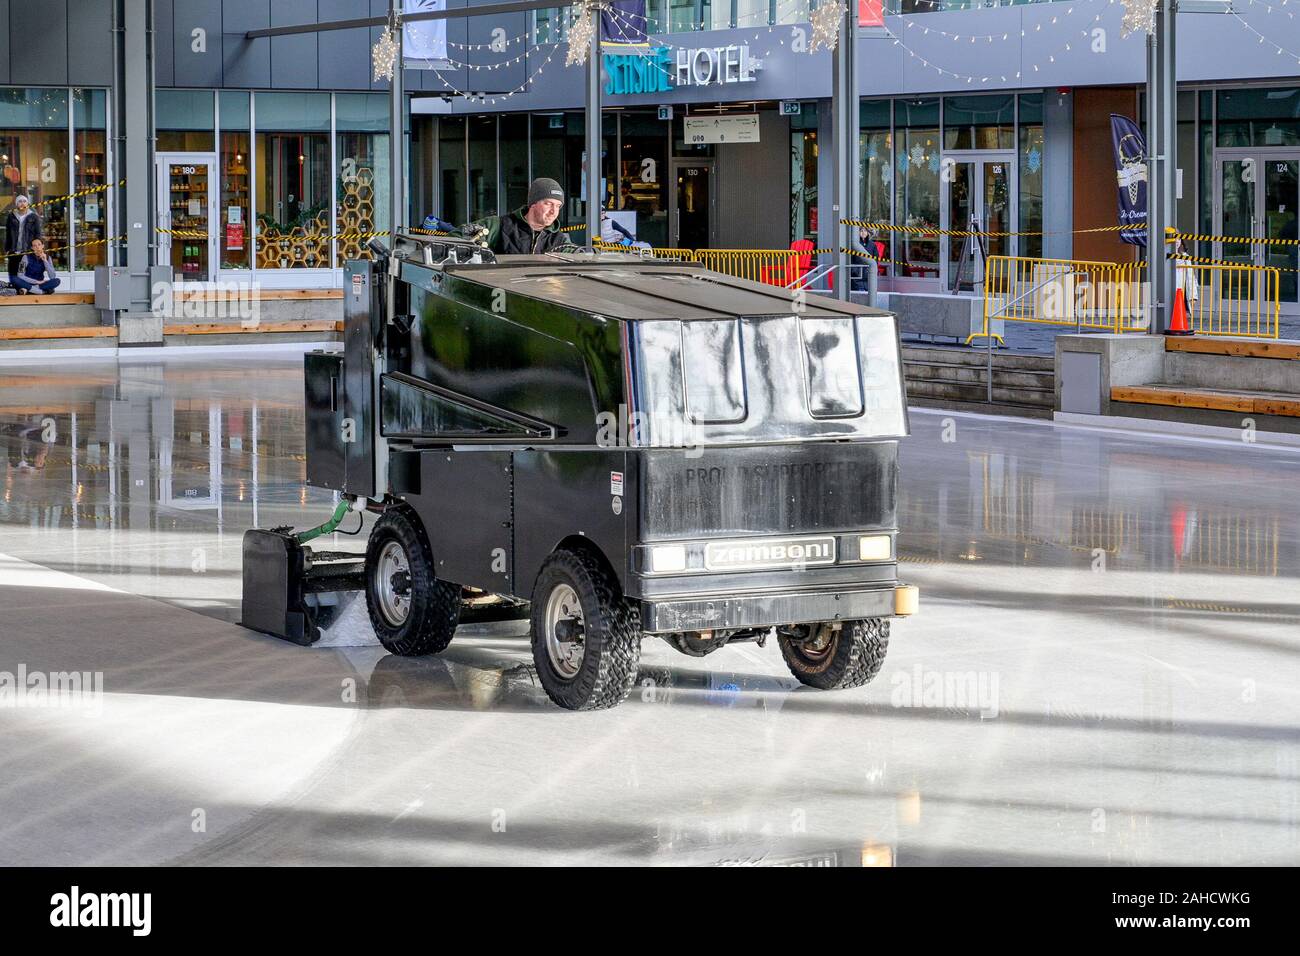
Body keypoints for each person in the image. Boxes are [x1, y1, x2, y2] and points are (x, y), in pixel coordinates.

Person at [469, 178, 576, 255]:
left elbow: (577, 255)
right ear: (533, 204)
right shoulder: (498, 226)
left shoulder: (558, 239)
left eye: (558, 206)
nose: (554, 211)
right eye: (548, 204)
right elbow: (456, 239)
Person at [5, 194, 43, 282]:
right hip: (14, 250)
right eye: (20, 201)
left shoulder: (33, 216)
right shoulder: (11, 216)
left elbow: (38, 234)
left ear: (28, 203)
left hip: (27, 250)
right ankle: (14, 287)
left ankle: (24, 288)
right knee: (13, 271)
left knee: (24, 272)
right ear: (16, 204)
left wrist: (37, 248)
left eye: (24, 201)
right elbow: (8, 233)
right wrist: (7, 248)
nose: (22, 203)